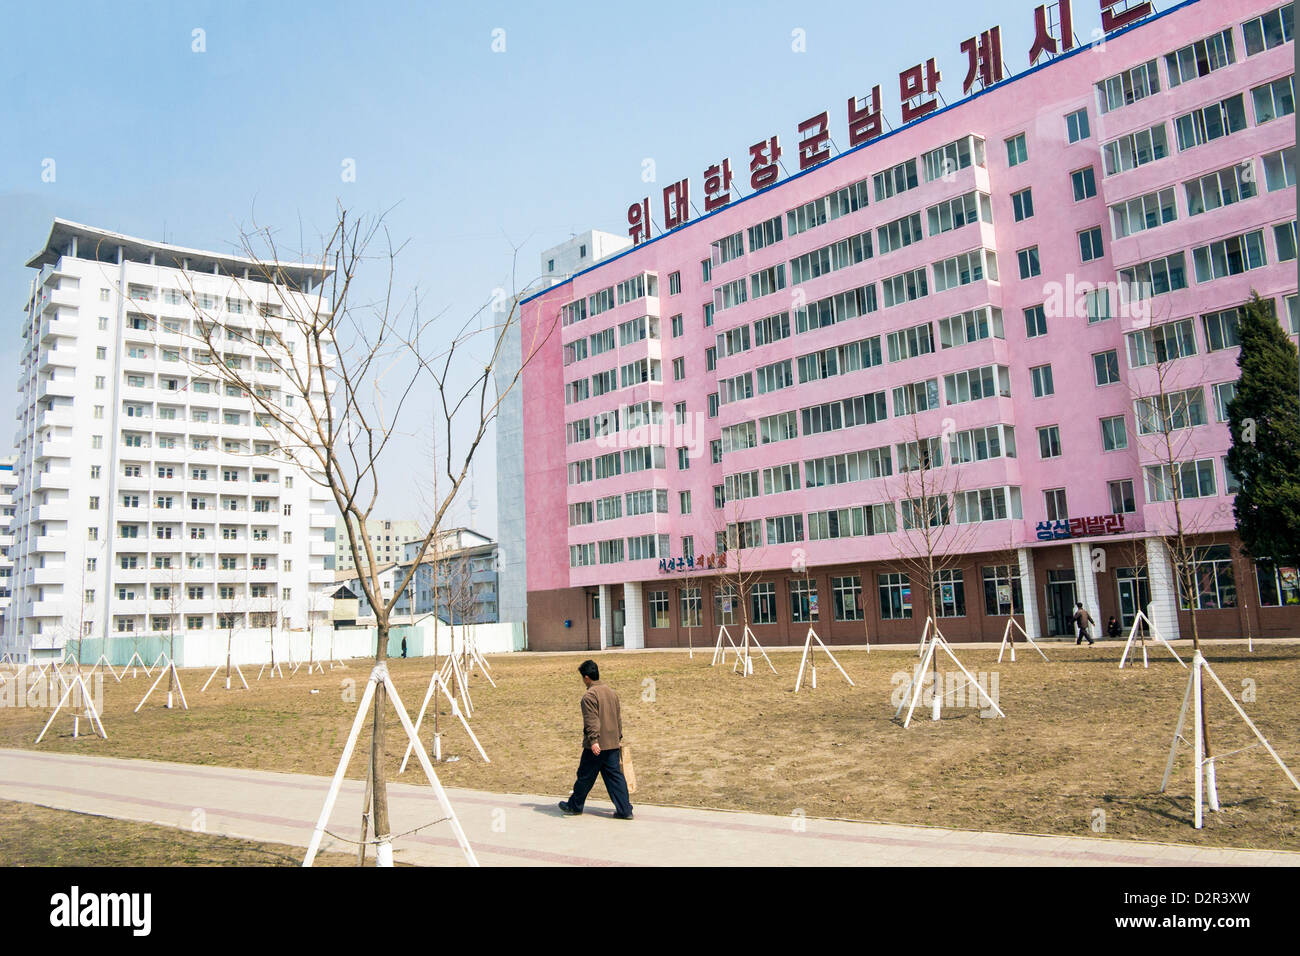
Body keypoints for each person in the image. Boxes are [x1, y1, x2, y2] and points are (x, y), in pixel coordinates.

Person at [558, 660, 633, 820]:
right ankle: (625, 810)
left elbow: (591, 720)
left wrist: (593, 741)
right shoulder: (611, 693)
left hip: (597, 746)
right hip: (612, 743)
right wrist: (618, 737)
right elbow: (617, 718)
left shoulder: (589, 696)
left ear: (586, 678)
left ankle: (574, 806)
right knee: (615, 778)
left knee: (584, 776)